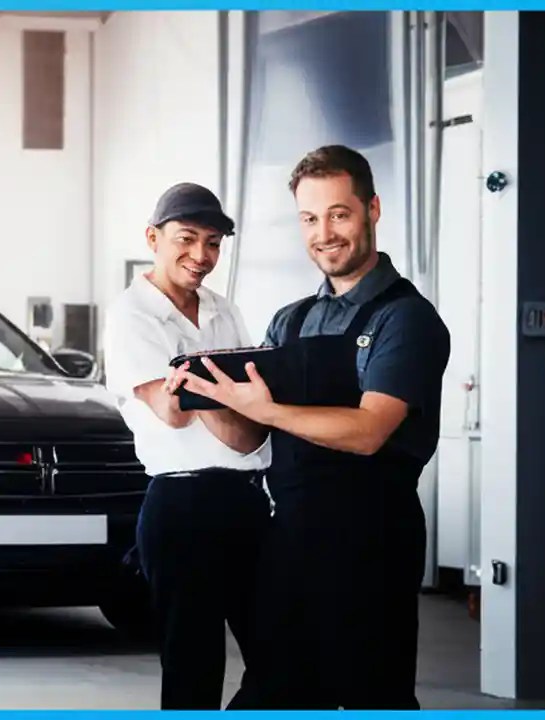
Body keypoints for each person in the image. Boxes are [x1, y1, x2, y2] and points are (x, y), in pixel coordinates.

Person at [179, 145, 450, 709]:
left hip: (374, 542)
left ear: (372, 210)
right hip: (292, 540)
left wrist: (266, 410)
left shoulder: (407, 319)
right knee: (273, 691)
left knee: (373, 695)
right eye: (309, 218)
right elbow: (250, 438)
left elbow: (370, 430)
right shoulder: (291, 319)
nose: (323, 234)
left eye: (338, 214)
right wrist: (206, 395)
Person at [102, 182, 272, 710]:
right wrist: (231, 399)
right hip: (183, 505)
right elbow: (172, 413)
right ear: (153, 238)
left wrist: (197, 384)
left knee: (284, 656)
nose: (201, 255)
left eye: (214, 243)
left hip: (248, 499)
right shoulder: (132, 314)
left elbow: (252, 427)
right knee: (194, 667)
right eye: (187, 238)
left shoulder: (223, 310)